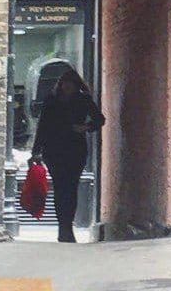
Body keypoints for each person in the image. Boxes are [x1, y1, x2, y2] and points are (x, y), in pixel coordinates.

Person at [29, 68, 105, 242]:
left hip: (75, 150)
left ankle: (67, 226)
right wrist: (36, 151)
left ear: (76, 85)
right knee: (60, 187)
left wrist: (85, 127)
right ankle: (63, 227)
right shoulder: (51, 100)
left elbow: (100, 119)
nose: (67, 87)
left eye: (70, 84)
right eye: (64, 84)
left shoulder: (83, 100)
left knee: (71, 188)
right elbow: (43, 126)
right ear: (60, 84)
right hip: (54, 150)